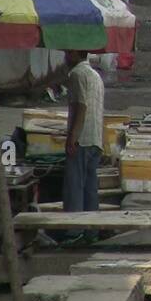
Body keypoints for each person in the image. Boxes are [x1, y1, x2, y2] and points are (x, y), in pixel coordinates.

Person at [62, 50, 105, 245]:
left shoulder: (77, 74)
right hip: (96, 138)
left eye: (66, 52)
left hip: (82, 139)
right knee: (90, 189)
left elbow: (81, 106)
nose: (64, 55)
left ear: (73, 54)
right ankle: (91, 232)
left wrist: (72, 137)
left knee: (74, 187)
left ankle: (74, 232)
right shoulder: (95, 75)